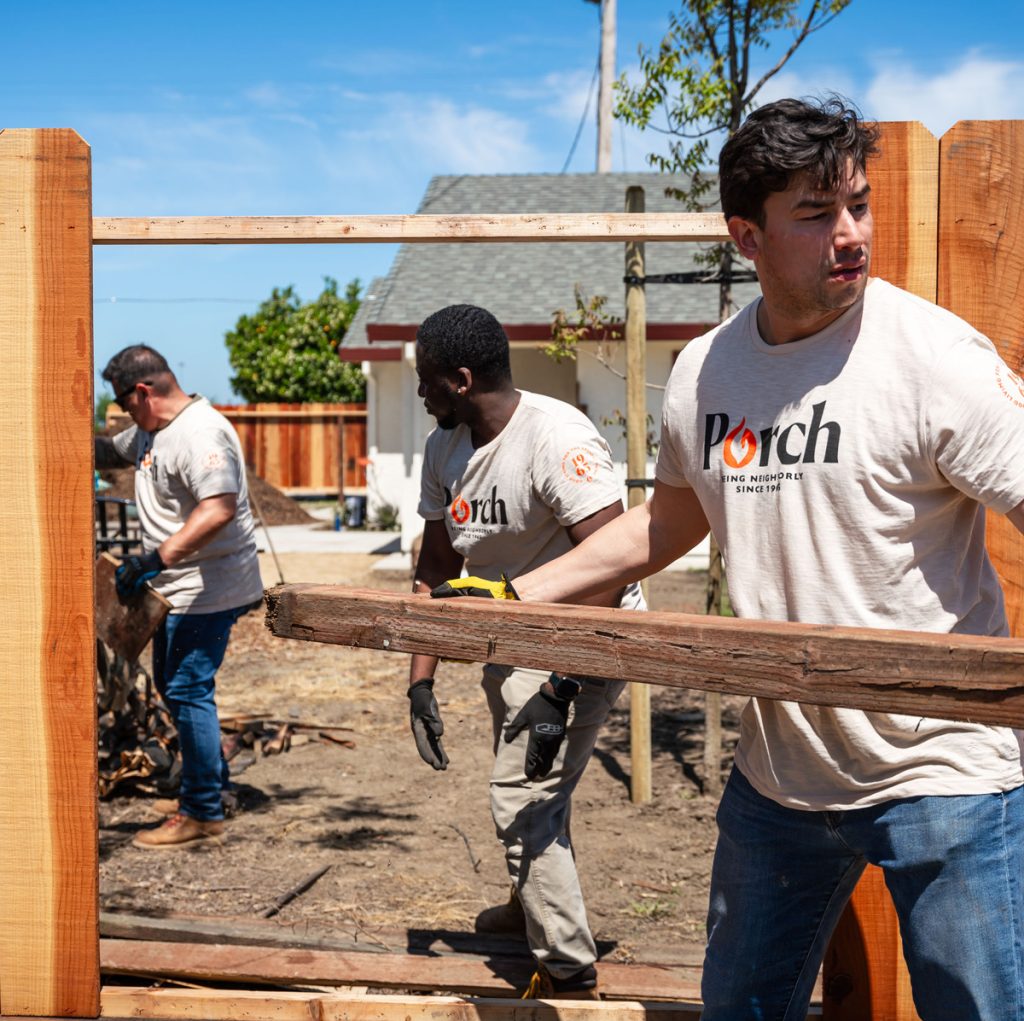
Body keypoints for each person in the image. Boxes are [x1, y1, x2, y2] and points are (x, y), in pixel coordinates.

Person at [475, 97, 1024, 1019]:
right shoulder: (707, 370)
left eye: (856, 204)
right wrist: (511, 591)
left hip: (944, 768)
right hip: (782, 770)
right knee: (741, 1008)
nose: (849, 234)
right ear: (746, 235)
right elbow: (674, 520)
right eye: (816, 214)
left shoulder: (933, 357)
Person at [409, 304, 645, 998]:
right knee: (536, 789)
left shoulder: (554, 439)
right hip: (508, 642)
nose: (420, 394)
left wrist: (561, 686)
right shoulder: (444, 449)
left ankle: (569, 972)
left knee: (520, 794)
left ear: (459, 378)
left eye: (426, 382)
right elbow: (435, 565)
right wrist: (421, 678)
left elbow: (613, 563)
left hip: (585, 643)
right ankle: (529, 905)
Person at [96, 345, 264, 850]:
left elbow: (218, 510)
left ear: (143, 392)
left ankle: (203, 813)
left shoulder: (200, 433)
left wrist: (155, 559)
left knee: (189, 690)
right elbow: (111, 451)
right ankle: (207, 787)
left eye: (126, 403)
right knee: (176, 686)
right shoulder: (154, 429)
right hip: (180, 585)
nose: (126, 414)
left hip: (208, 586)